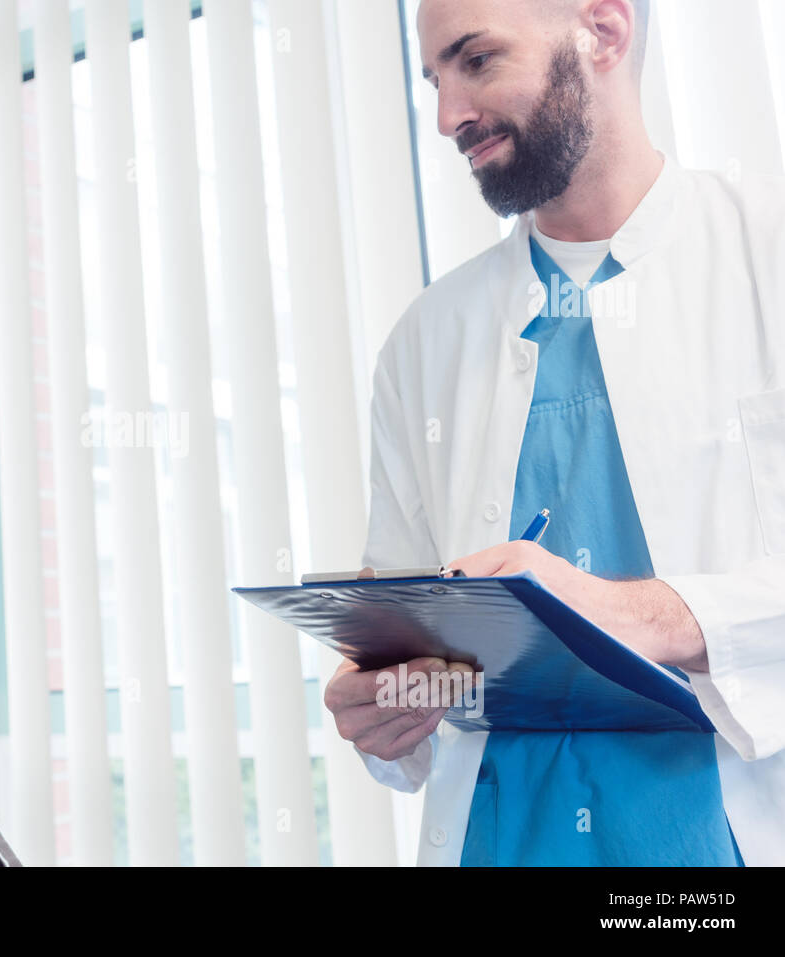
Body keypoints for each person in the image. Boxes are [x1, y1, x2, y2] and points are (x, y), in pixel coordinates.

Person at [324, 0, 785, 865]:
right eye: (433, 79)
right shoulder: (425, 344)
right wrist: (381, 704)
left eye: (477, 60)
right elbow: (404, 633)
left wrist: (632, 612)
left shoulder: (769, 255)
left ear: (602, 33)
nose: (446, 115)